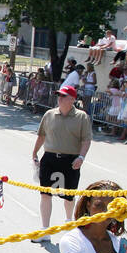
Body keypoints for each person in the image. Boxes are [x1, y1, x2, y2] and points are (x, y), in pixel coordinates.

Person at [31, 85, 92, 239]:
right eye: (59, 95)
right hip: (50, 157)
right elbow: (41, 136)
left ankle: (68, 222)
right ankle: (45, 230)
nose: (60, 98)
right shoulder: (49, 114)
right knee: (45, 194)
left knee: (69, 195)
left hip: (71, 160)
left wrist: (81, 157)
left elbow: (86, 140)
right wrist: (34, 152)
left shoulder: (81, 117)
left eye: (63, 96)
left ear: (72, 99)